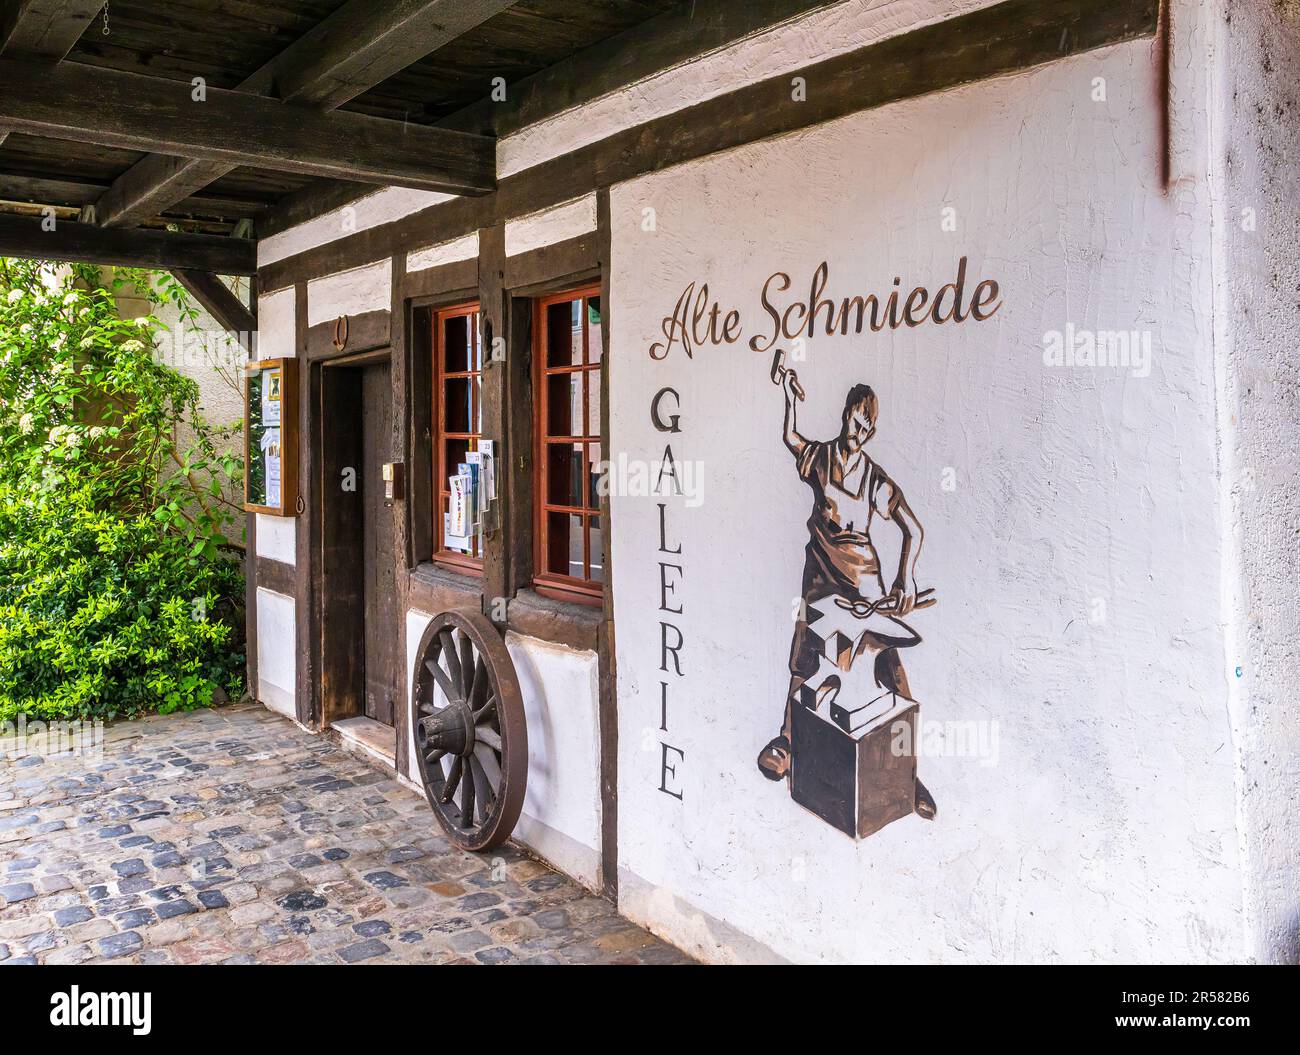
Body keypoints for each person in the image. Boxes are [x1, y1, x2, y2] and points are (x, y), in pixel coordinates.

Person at [757, 367, 936, 820]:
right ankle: (788, 741)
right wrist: (789, 394)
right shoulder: (820, 458)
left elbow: (913, 529)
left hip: (863, 580)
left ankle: (907, 773)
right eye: (855, 421)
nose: (859, 431)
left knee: (887, 664)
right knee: (806, 654)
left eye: (866, 426)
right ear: (845, 417)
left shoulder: (875, 480)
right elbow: (790, 436)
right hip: (819, 571)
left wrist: (905, 581)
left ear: (871, 430)